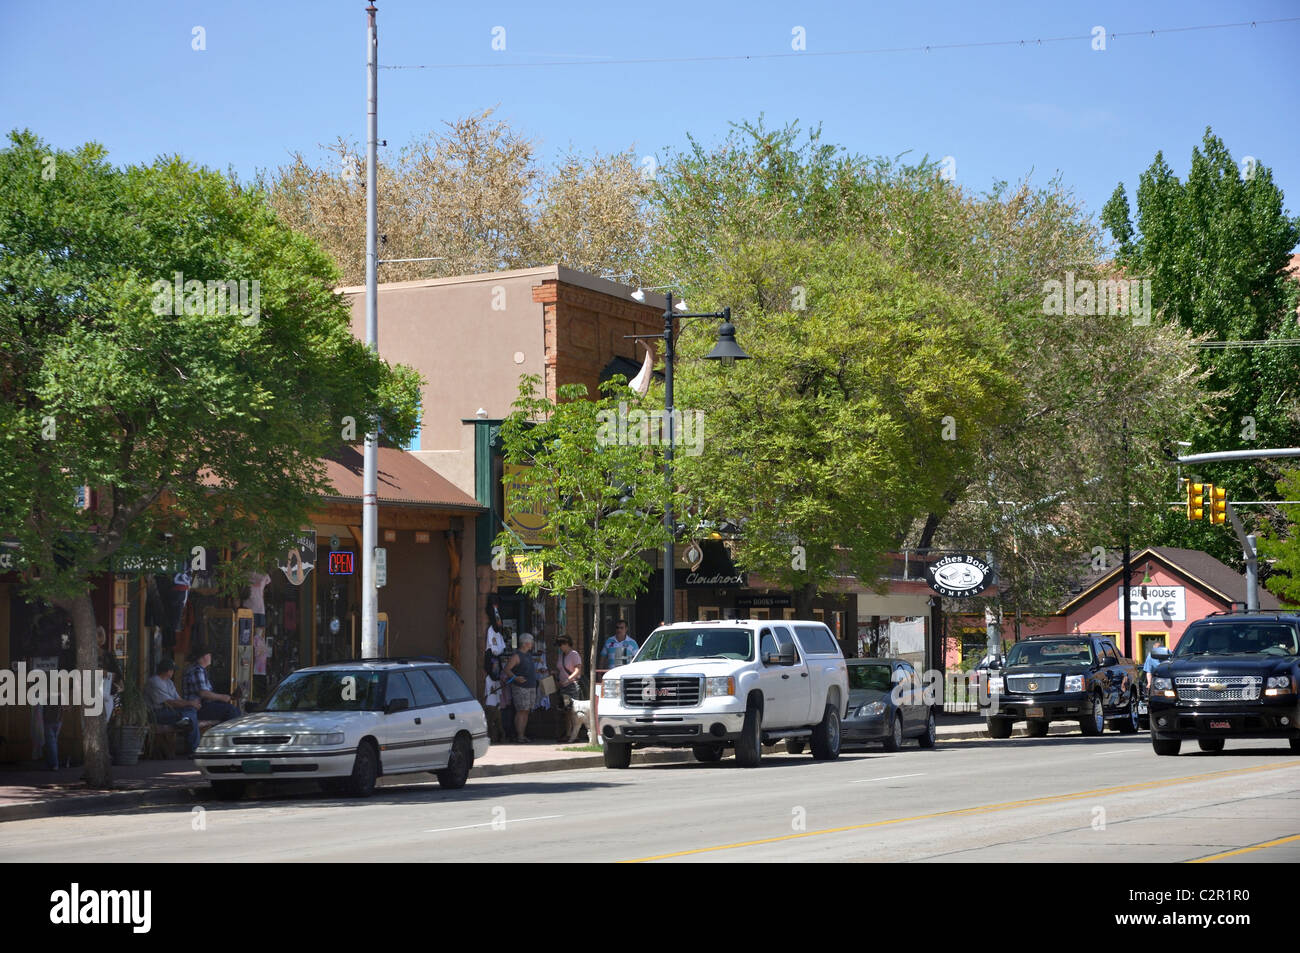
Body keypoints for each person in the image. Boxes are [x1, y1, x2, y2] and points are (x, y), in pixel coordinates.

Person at [147, 659, 202, 754]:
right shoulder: (154, 681)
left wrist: (192, 703)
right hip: (156, 713)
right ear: (167, 671)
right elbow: (170, 702)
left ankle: (185, 720)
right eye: (172, 670)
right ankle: (193, 749)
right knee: (191, 717)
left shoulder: (169, 682)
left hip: (170, 711)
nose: (173, 672)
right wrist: (190, 703)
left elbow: (179, 699)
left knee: (191, 713)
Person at [182, 647, 242, 723]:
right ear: (204, 656)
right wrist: (222, 697)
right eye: (209, 655)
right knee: (231, 710)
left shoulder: (200, 670)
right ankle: (225, 734)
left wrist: (229, 697)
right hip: (196, 707)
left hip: (203, 705)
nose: (211, 657)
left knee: (234, 710)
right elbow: (203, 693)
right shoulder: (197, 670)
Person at [501, 633, 539, 743]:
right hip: (521, 688)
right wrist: (516, 678)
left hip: (531, 686)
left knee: (526, 711)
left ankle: (522, 735)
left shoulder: (528, 655)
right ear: (526, 643)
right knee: (521, 711)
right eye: (531, 642)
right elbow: (507, 669)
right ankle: (520, 735)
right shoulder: (517, 656)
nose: (532, 644)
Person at [555, 635, 584, 743]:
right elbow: (560, 669)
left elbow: (578, 670)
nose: (560, 647)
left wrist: (569, 679)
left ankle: (574, 734)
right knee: (566, 711)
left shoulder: (574, 654)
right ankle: (568, 733)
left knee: (573, 710)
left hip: (572, 686)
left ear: (566, 644)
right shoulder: (561, 655)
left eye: (560, 645)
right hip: (563, 686)